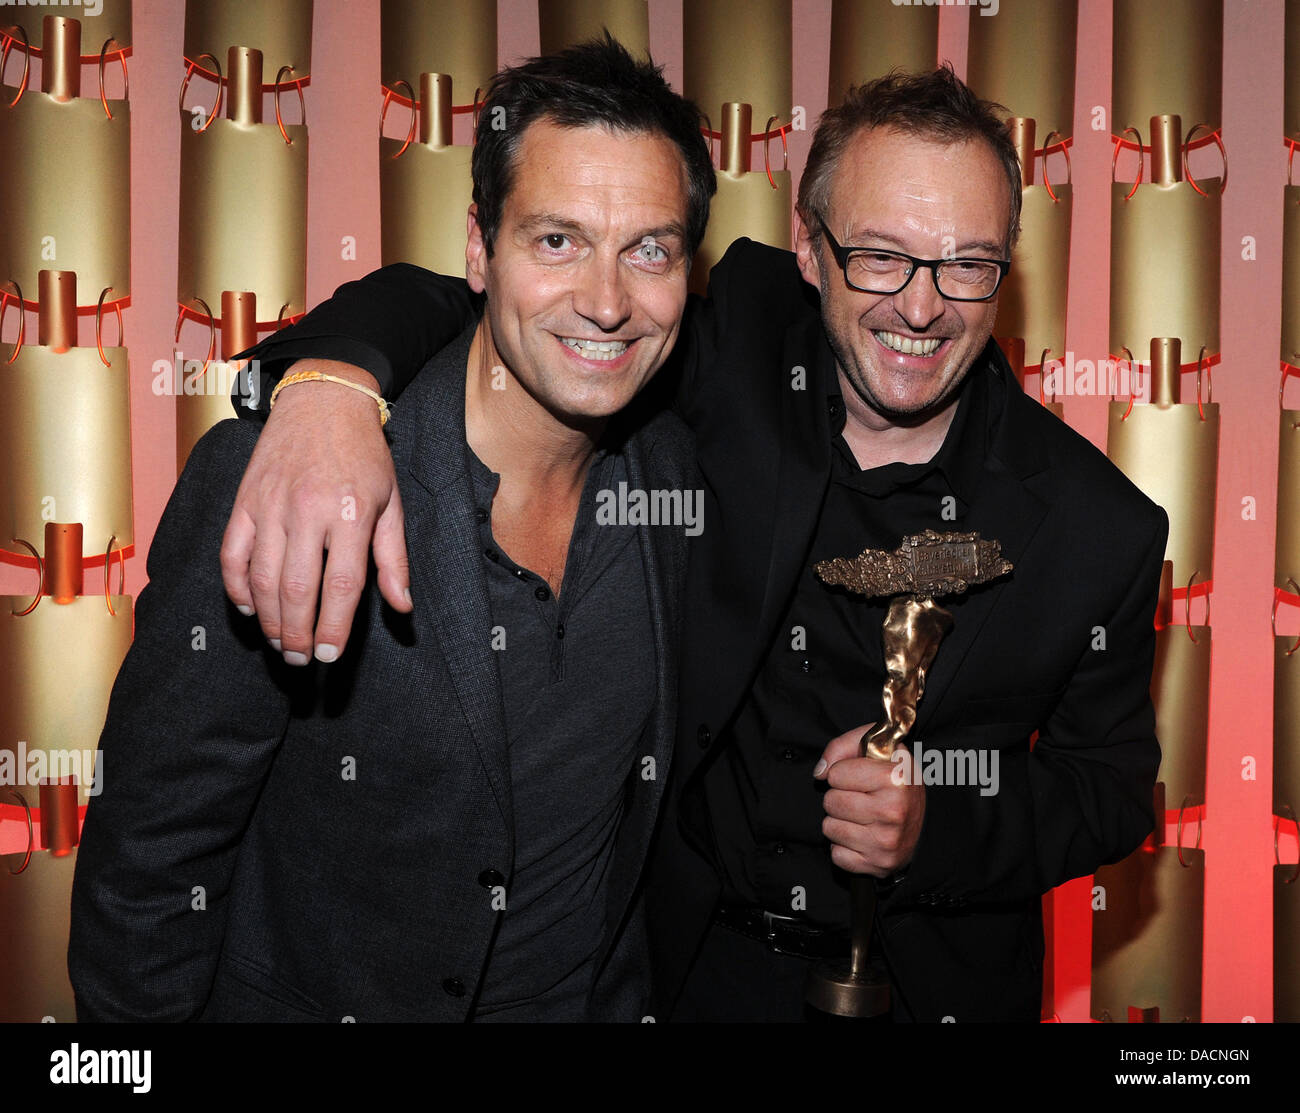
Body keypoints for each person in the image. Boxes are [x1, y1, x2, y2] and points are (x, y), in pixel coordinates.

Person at [219, 66, 1169, 1022]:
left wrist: (940, 824)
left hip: (934, 987)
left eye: (967, 264)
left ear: (1009, 263)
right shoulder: (732, 345)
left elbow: (1111, 789)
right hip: (679, 968)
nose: (921, 309)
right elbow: (499, 303)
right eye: (878, 255)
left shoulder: (1101, 527)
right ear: (810, 247)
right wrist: (331, 385)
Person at [67, 36, 714, 1022]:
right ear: (475, 247)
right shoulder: (289, 478)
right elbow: (149, 868)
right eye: (556, 241)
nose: (607, 300)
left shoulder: (672, 476)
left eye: (650, 250)